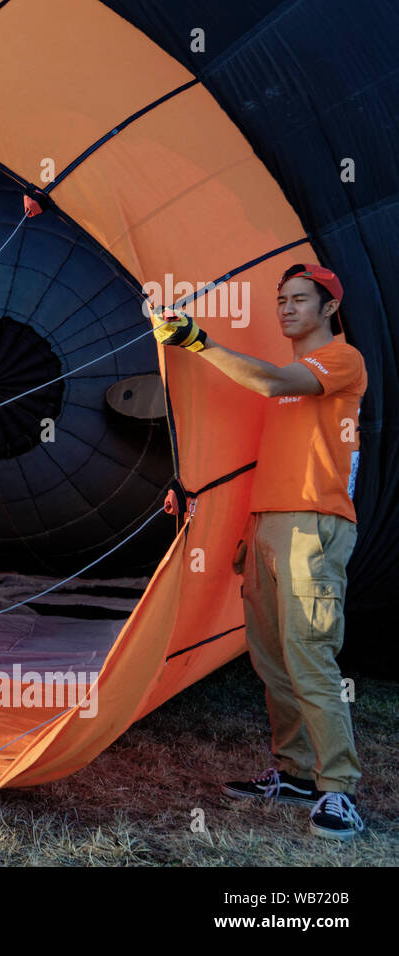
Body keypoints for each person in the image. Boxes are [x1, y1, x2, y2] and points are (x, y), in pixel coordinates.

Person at [151, 263, 367, 840]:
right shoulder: (294, 374)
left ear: (329, 309)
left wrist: (198, 341)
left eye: (300, 299)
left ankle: (338, 789)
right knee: (272, 658)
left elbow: (271, 382)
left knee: (309, 655)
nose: (286, 309)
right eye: (281, 300)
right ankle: (297, 773)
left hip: (312, 526)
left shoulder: (341, 360)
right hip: (272, 525)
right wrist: (249, 528)